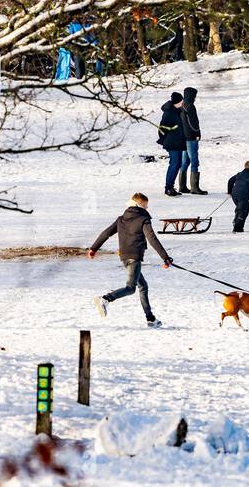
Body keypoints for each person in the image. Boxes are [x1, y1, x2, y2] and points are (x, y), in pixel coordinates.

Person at [87, 193, 173, 328]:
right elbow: (152, 239)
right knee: (131, 288)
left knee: (143, 286)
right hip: (134, 258)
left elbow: (106, 233)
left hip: (124, 257)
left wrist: (93, 248)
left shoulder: (121, 219)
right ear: (139, 205)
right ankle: (105, 299)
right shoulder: (143, 219)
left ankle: (150, 319)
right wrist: (165, 258)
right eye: (145, 205)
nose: (147, 208)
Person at [157, 91, 188, 197]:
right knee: (174, 164)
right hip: (172, 143)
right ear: (177, 102)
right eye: (181, 101)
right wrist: (164, 139)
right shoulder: (169, 113)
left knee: (178, 164)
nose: (183, 103)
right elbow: (162, 128)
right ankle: (168, 187)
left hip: (178, 142)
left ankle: (171, 186)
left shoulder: (177, 111)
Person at [181, 86, 207, 194]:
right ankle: (194, 187)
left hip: (183, 138)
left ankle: (182, 186)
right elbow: (193, 123)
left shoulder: (181, 106)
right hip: (191, 137)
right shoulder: (190, 106)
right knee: (194, 162)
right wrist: (197, 133)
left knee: (184, 162)